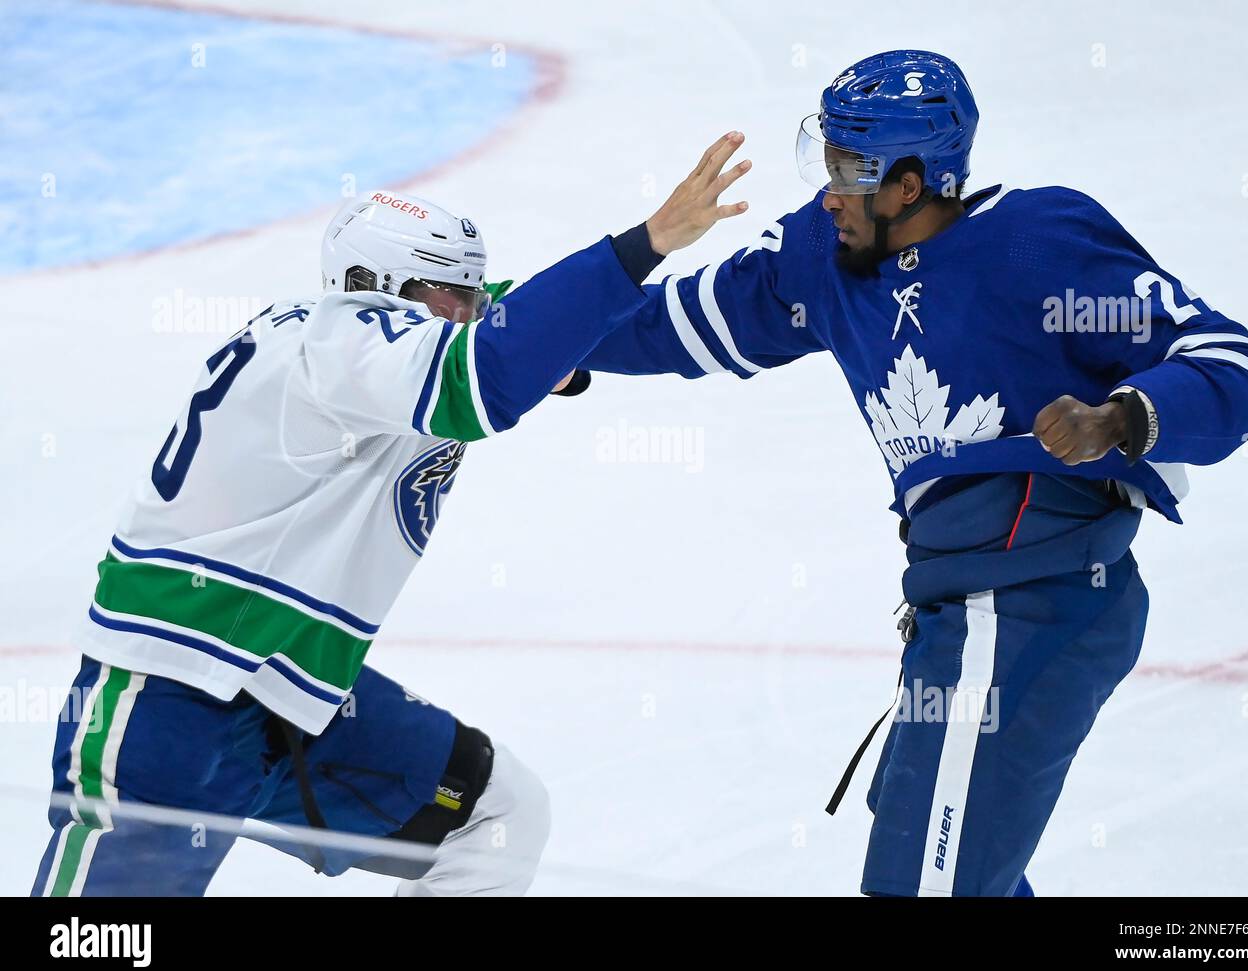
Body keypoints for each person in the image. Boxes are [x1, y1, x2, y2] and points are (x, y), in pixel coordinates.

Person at [578, 51, 1248, 896]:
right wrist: (538, 339)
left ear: (912, 184)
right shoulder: (822, 256)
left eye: (849, 170)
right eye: (824, 160)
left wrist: (1121, 418)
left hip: (1041, 608)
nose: (827, 190)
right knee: (951, 874)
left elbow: (1239, 366)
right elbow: (676, 324)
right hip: (958, 614)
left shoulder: (1039, 242)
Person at [32, 134, 752, 897]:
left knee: (499, 812)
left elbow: (535, 326)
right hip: (171, 694)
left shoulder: (395, 331)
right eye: (450, 292)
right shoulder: (340, 336)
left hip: (296, 694)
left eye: (471, 294)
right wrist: (648, 242)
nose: (468, 311)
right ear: (372, 282)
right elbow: (492, 372)